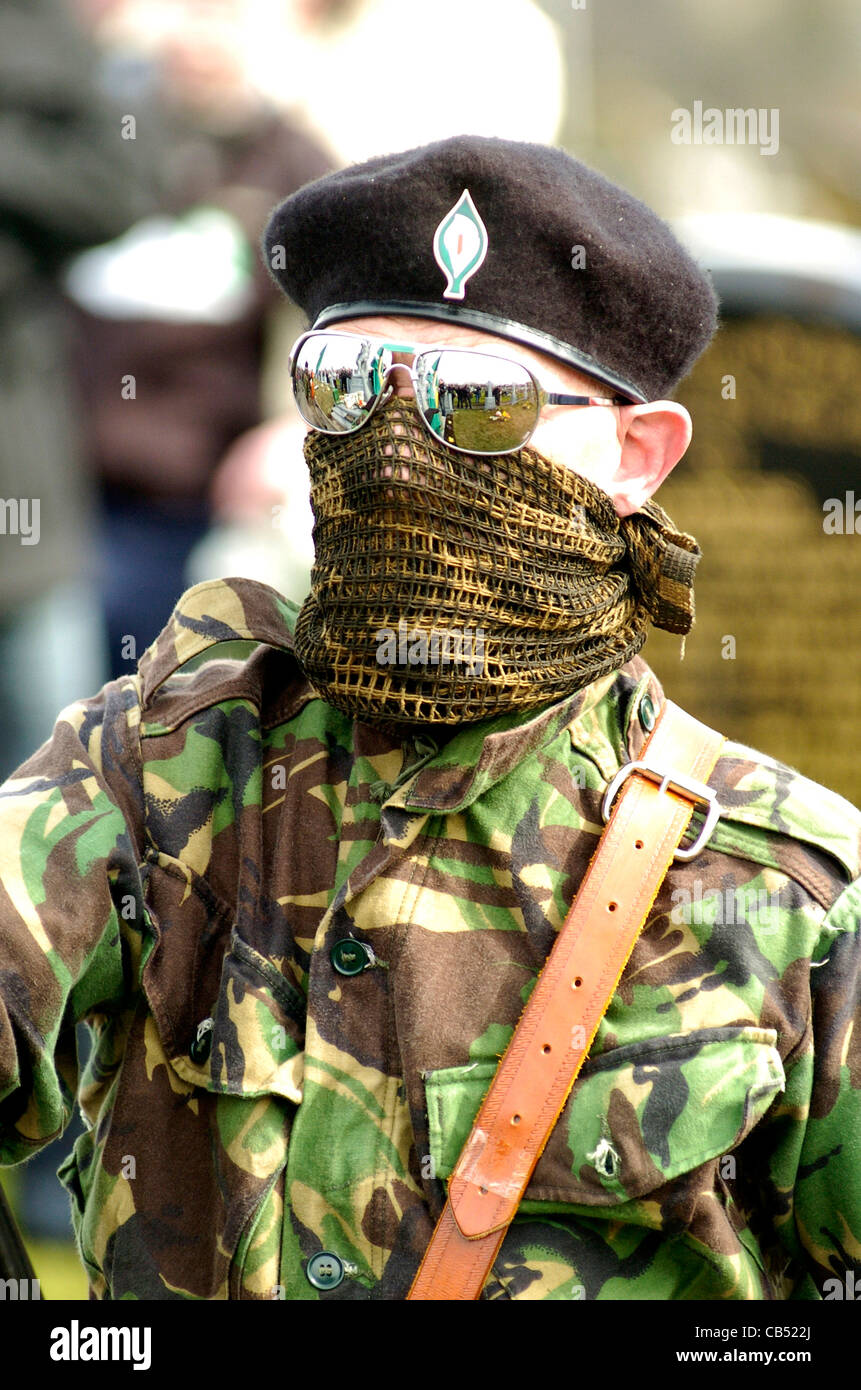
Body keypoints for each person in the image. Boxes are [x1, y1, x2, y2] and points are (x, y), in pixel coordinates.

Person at [1, 136, 859, 1302]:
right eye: (346, 385)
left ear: (638, 456)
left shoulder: (789, 884)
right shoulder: (163, 762)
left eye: (480, 401)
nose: (396, 452)